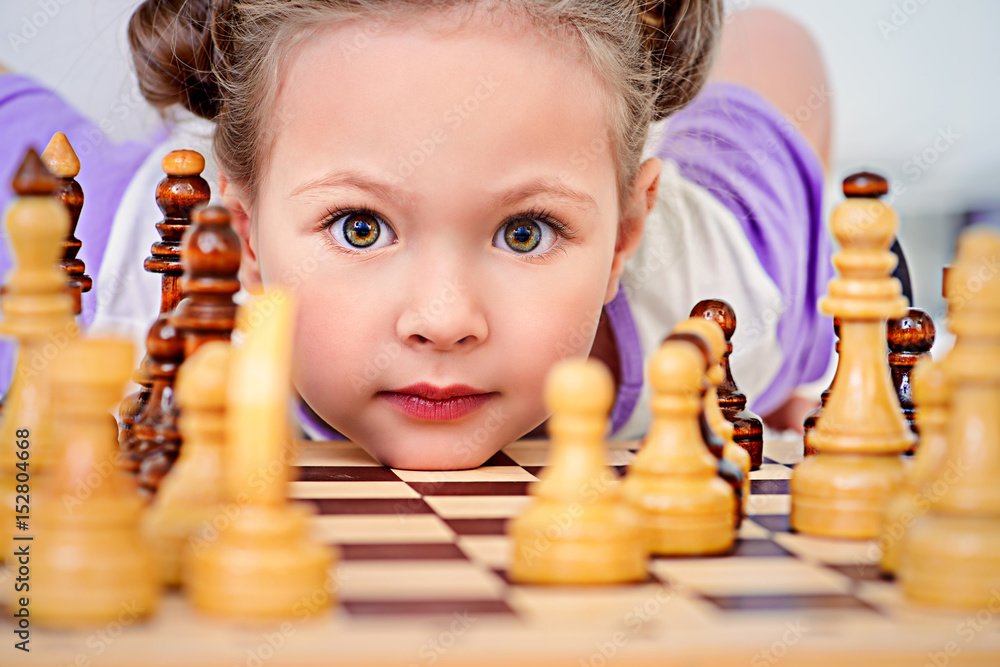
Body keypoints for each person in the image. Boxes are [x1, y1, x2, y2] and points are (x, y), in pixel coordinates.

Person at [0, 1, 835, 469]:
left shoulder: (724, 304)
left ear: (626, 235)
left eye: (525, 230)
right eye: (360, 228)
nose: (443, 319)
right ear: (245, 236)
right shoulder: (89, 295)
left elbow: (778, 44)